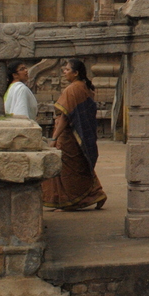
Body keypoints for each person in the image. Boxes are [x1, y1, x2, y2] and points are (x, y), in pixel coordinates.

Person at [42, 58, 106, 211]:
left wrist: (54, 138)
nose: (64, 72)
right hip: (78, 135)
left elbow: (65, 117)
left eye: (67, 70)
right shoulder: (84, 87)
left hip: (69, 136)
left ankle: (72, 200)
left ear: (76, 73)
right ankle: (94, 193)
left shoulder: (72, 90)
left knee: (68, 170)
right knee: (79, 166)